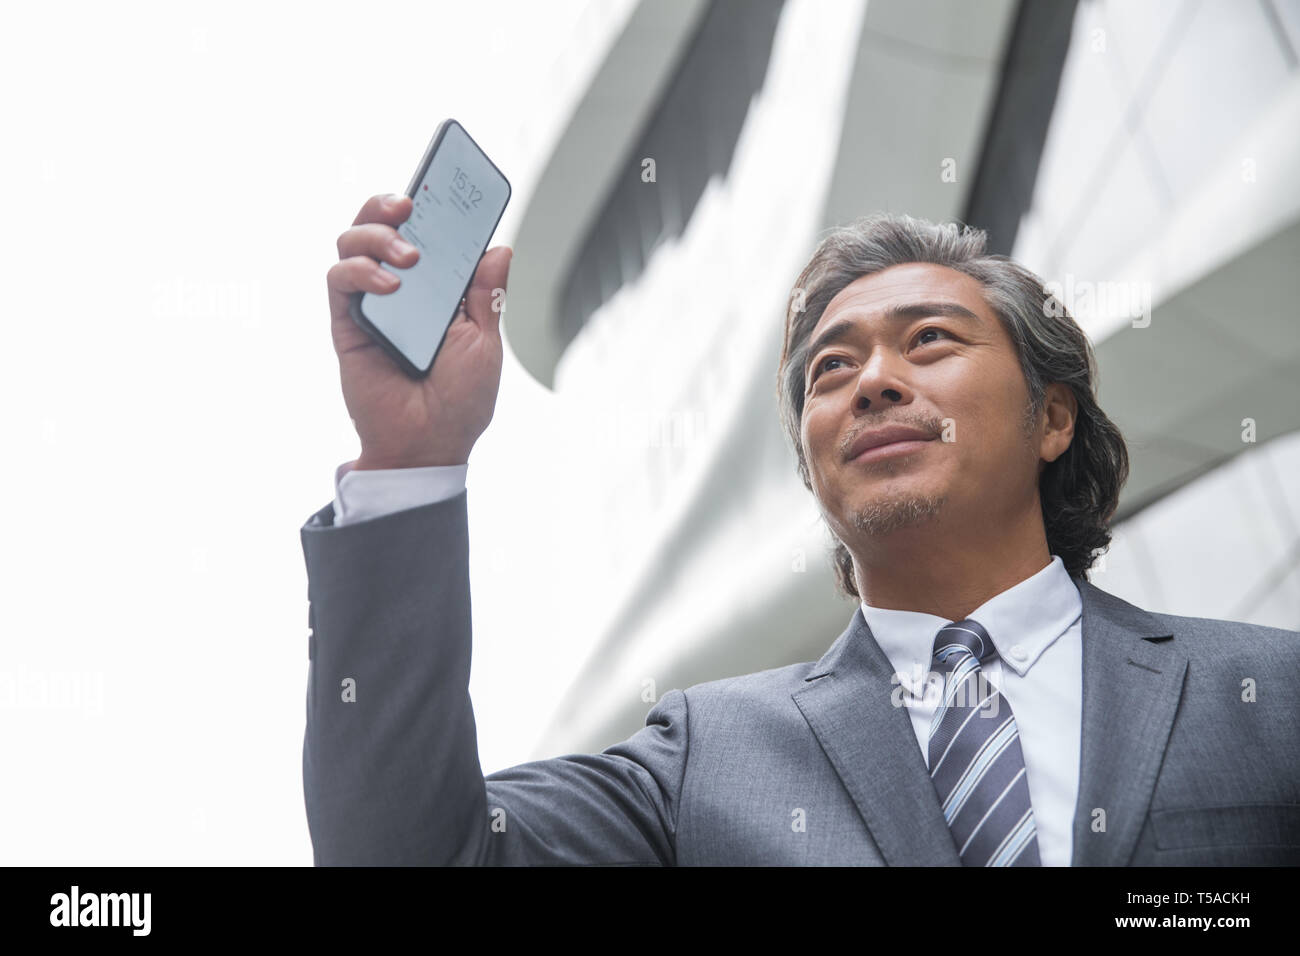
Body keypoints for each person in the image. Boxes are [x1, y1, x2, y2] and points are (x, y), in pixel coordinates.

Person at [300, 196, 1300, 865]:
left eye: (929, 340)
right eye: (830, 369)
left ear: (1051, 416)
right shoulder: (706, 756)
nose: (870, 380)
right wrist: (411, 457)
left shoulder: (1268, 690)